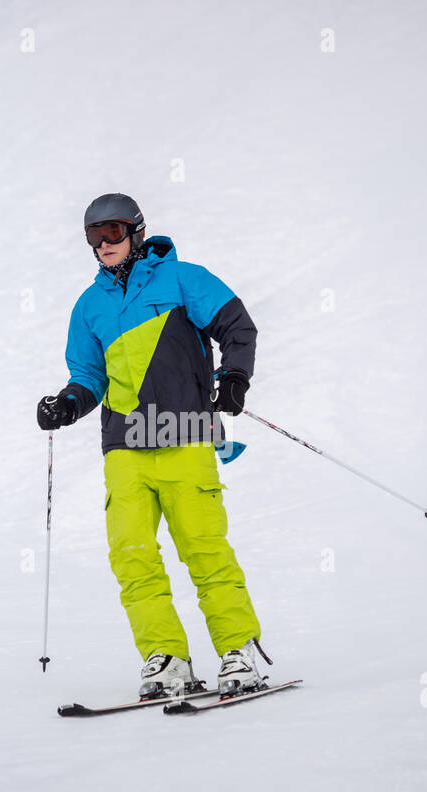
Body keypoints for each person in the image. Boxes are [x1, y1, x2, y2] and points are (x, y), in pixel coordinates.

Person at [37, 193, 271, 699]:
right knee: (131, 554)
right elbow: (88, 376)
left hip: (185, 433)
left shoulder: (183, 278)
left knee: (203, 548)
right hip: (124, 445)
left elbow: (236, 326)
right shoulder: (89, 306)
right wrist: (67, 404)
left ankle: (240, 649)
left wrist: (233, 376)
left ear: (137, 232)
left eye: (113, 232)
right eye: (93, 236)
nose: (103, 244)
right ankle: (165, 658)